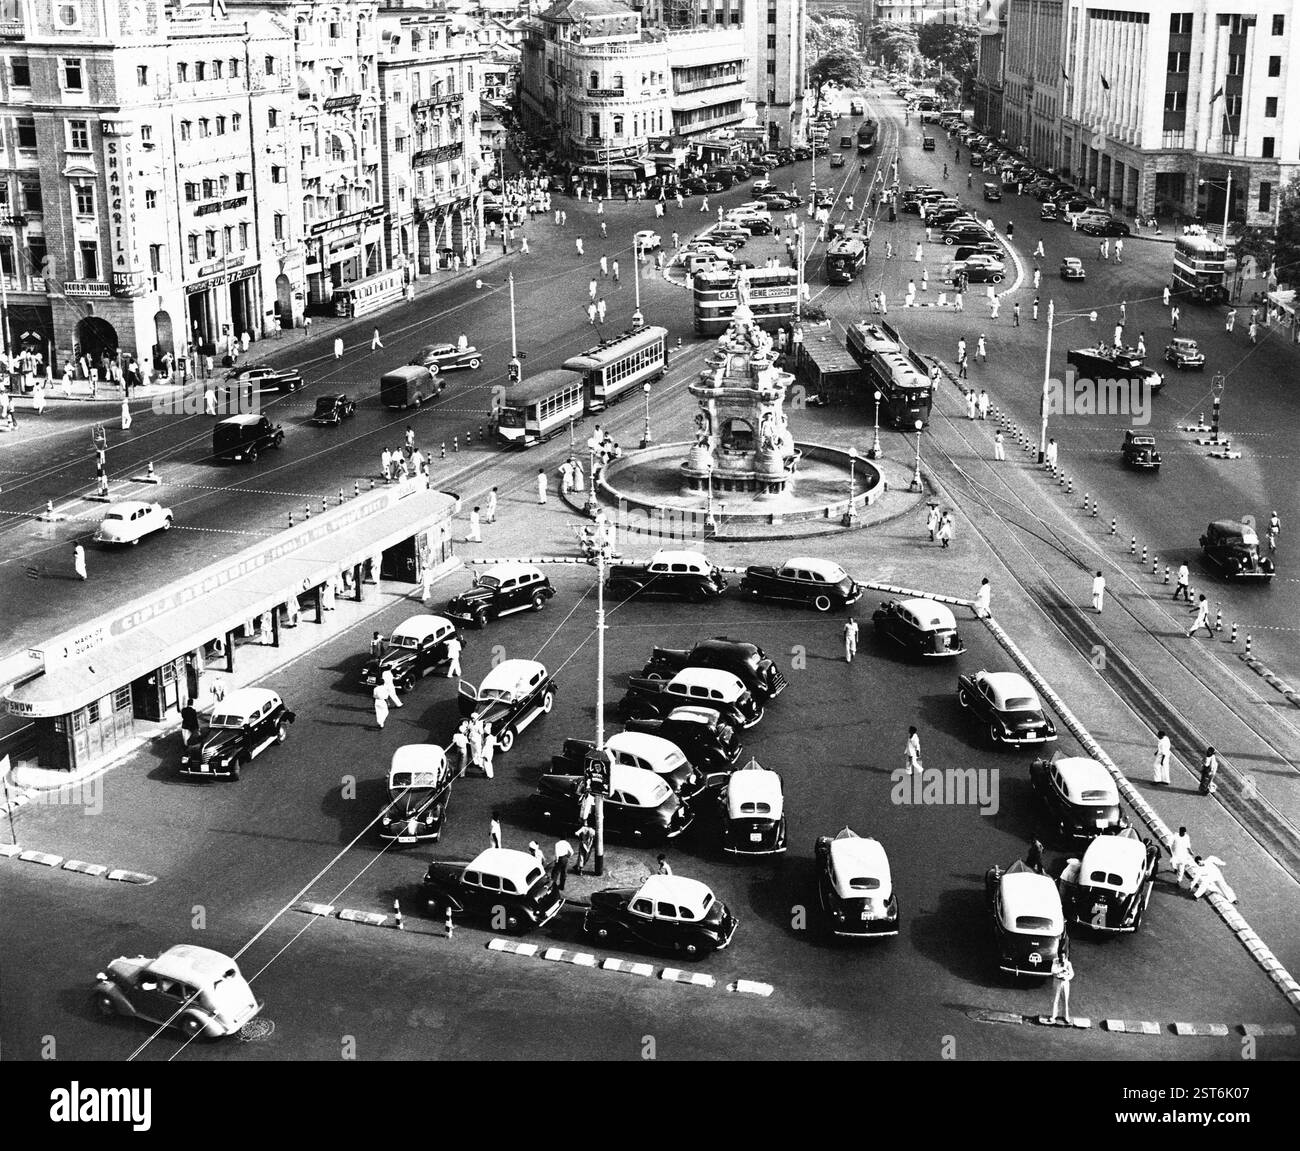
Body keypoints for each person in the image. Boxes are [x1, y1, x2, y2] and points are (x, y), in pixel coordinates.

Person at [1048, 953, 1074, 1025]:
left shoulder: (1068, 963)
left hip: (1065, 982)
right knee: (1055, 999)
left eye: (1063, 957)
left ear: (1065, 957)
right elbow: (1053, 971)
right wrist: (1062, 969)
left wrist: (1066, 977)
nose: (1062, 958)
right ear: (1058, 956)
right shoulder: (1055, 961)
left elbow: (1071, 974)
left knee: (1065, 999)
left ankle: (1066, 1017)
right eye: (1060, 957)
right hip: (1057, 981)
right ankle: (1053, 1016)